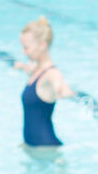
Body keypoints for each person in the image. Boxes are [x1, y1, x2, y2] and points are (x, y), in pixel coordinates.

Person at [14, 16, 75, 148]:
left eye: (26, 47)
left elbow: (59, 84)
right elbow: (31, 70)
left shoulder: (51, 73)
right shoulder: (37, 70)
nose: (23, 52)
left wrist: (63, 90)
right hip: (34, 146)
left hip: (47, 148)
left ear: (42, 45)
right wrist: (22, 67)